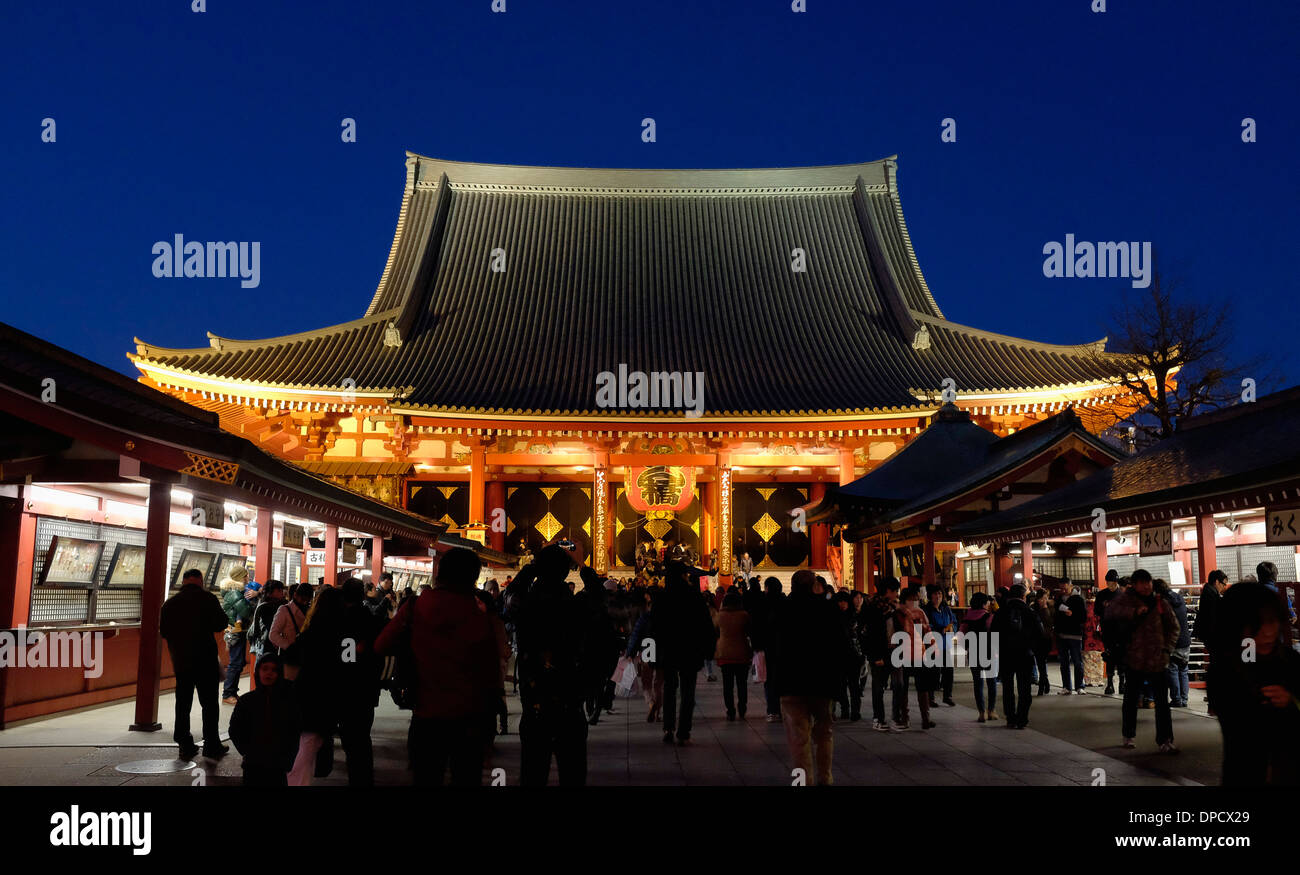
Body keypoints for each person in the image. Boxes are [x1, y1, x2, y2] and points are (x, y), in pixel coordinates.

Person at [286, 580, 384, 785]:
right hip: (359, 692)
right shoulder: (369, 620)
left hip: (323, 692)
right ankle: (361, 781)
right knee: (358, 744)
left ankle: (318, 769)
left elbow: (296, 655)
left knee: (313, 738)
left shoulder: (319, 628)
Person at [510, 544, 591, 785]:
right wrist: (584, 568)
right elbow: (598, 596)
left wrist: (529, 571)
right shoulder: (575, 605)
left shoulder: (525, 606)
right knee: (573, 771)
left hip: (534, 697)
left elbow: (509, 595)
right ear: (566, 572)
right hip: (569, 696)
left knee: (533, 770)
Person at [1207, 582, 1300, 785]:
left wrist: (1291, 703)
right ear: (1236, 626)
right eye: (1257, 624)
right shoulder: (1225, 670)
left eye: (1272, 621)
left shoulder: (1290, 661)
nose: (1268, 632)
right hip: (1245, 775)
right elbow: (1239, 727)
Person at [770, 569, 852, 785]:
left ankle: (803, 781)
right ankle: (825, 777)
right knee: (824, 733)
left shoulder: (782, 609)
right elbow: (842, 643)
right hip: (823, 682)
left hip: (791, 683)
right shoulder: (827, 608)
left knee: (799, 738)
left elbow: (773, 645)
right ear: (815, 585)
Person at [1104, 569, 1179, 752]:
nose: (1146, 586)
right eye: (1142, 583)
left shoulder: (1160, 602)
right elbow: (1110, 612)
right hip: (1134, 658)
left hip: (1157, 659)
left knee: (1162, 702)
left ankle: (1165, 740)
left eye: (1148, 582)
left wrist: (1167, 649)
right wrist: (1134, 612)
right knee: (1130, 700)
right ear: (1134, 585)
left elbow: (1174, 627)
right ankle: (1128, 735)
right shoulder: (1125, 599)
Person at [160, 568, 230, 760]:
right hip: (205, 661)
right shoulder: (208, 599)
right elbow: (221, 623)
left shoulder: (170, 604)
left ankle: (184, 743)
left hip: (182, 662)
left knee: (183, 703)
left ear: (183, 581)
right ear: (200, 581)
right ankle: (211, 744)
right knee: (209, 704)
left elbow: (164, 632)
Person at [652, 555, 716, 745]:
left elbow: (653, 627)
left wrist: (650, 653)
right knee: (688, 691)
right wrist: (708, 649)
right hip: (690, 649)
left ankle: (668, 727)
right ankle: (684, 730)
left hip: (668, 648)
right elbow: (706, 625)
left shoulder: (661, 597)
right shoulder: (693, 595)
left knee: (669, 688)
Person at [227, 653, 301, 786]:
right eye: (265, 668)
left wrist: (288, 758)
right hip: (253, 763)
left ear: (279, 673)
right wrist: (246, 751)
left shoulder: (288, 701)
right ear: (258, 671)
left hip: (278, 764)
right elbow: (234, 730)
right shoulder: (246, 700)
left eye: (274, 670)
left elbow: (294, 731)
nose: (269, 673)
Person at [989, 583, 1043, 729]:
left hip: (1006, 655)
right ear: (1023, 596)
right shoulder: (1029, 612)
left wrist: (997, 650)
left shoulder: (1001, 612)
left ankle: (1010, 717)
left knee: (1008, 687)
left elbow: (992, 634)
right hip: (1025, 655)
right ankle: (1022, 718)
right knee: (1024, 688)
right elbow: (1039, 634)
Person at [889, 587, 936, 730]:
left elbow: (927, 631)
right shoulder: (898, 615)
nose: (915, 602)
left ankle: (925, 718)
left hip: (919, 653)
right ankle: (905, 717)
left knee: (923, 687)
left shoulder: (921, 613)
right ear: (905, 601)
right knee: (902, 688)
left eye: (916, 599)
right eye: (912, 599)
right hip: (903, 654)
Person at [862, 578, 901, 731]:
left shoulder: (894, 608)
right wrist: (875, 656)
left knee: (898, 684)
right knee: (879, 687)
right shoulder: (873, 607)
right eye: (895, 591)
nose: (897, 594)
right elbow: (869, 634)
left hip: (895, 650)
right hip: (879, 652)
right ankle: (878, 718)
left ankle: (895, 717)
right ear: (888, 591)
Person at [220, 565, 257, 704]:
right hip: (235, 631)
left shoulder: (235, 591)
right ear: (241, 577)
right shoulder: (235, 593)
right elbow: (246, 611)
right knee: (235, 663)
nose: (248, 577)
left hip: (237, 630)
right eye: (246, 575)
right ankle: (227, 694)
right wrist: (254, 600)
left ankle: (232, 692)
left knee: (238, 662)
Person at [715, 588, 753, 720]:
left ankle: (730, 710)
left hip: (724, 653)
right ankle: (742, 707)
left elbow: (715, 632)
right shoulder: (744, 615)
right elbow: (749, 632)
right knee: (742, 684)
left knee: (728, 685)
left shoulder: (719, 616)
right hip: (742, 652)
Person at [960, 593, 999, 722]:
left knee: (978, 683)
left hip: (973, 653)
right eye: (987, 602)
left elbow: (961, 634)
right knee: (991, 682)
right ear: (983, 603)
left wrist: (966, 648)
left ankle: (981, 713)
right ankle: (991, 711)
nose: (989, 604)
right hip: (988, 652)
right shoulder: (989, 617)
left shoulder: (967, 617)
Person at [627, 588, 664, 722]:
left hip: (648, 648)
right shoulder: (667, 617)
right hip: (662, 651)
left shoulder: (645, 617)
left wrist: (630, 652)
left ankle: (650, 702)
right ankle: (658, 712)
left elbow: (636, 635)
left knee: (646, 682)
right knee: (659, 683)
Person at [922, 584, 958, 706]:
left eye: (940, 594)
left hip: (946, 644)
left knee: (948, 671)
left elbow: (954, 621)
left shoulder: (946, 609)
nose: (938, 596)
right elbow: (926, 626)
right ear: (930, 596)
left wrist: (953, 628)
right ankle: (930, 698)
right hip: (933, 645)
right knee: (933, 672)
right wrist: (939, 630)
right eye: (935, 594)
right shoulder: (926, 610)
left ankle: (947, 695)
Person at [246, 579, 286, 687]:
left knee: (266, 670)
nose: (282, 592)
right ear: (272, 591)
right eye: (279, 590)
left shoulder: (265, 604)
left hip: (267, 643)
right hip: (269, 643)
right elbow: (269, 625)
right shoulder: (269, 606)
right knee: (270, 670)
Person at [270, 583, 312, 682]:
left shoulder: (310, 610)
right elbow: (273, 634)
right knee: (290, 684)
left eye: (307, 599)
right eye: (303, 599)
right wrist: (288, 646)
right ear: (295, 595)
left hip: (306, 654)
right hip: (290, 656)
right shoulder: (284, 610)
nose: (305, 602)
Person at [1161, 579, 1192, 707]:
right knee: (1183, 670)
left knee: (1173, 669)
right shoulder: (1179, 598)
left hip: (1174, 641)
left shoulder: (1164, 602)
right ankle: (1184, 700)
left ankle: (1176, 699)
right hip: (1185, 640)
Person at [761, 577, 786, 722]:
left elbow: (759, 625)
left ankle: (772, 710)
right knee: (781, 678)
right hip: (784, 647)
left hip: (769, 647)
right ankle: (782, 709)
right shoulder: (786, 602)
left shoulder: (764, 603)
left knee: (769, 680)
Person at [1055, 582, 1086, 695]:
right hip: (1062, 635)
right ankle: (1066, 687)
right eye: (1061, 588)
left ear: (1070, 586)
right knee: (1064, 663)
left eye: (1065, 587)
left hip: (1075, 635)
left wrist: (1072, 614)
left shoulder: (1078, 599)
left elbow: (1083, 617)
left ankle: (1079, 686)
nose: (1063, 590)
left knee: (1077, 662)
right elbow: (1056, 615)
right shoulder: (1059, 599)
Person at [1094, 570, 1122, 694]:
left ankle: (1122, 683)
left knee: (1122, 658)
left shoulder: (1122, 595)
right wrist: (1104, 607)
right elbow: (1096, 610)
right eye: (1108, 583)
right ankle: (1110, 683)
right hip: (1107, 630)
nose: (1110, 585)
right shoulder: (1101, 595)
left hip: (1121, 631)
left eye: (1112, 583)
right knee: (1109, 657)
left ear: (1116, 582)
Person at [1028, 589, 1053, 696]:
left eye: (1046, 598)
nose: (1044, 600)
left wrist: (1046, 609)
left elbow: (1051, 622)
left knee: (1042, 662)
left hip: (1047, 638)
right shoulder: (1033, 608)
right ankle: (1044, 684)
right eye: (1042, 598)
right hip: (1036, 638)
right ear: (1038, 599)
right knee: (1040, 662)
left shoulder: (1050, 608)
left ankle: (1044, 683)